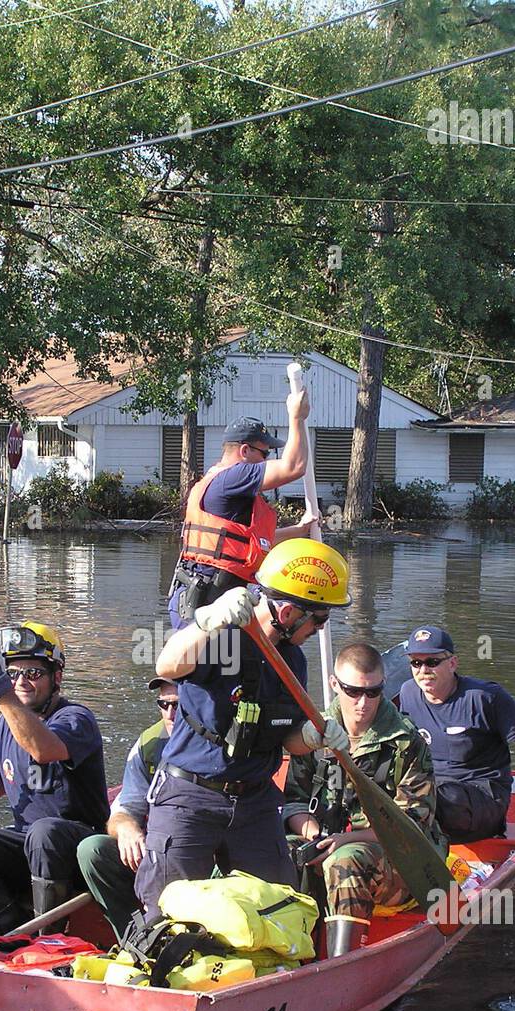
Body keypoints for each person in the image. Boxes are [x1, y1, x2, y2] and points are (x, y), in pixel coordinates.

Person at [135, 538, 353, 913]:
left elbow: (288, 738)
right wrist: (205, 622)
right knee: (167, 913)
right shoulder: (221, 639)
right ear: (288, 614)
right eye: (319, 618)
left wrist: (312, 737)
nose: (320, 627)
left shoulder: (293, 662)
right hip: (191, 797)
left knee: (280, 909)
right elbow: (167, 666)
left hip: (254, 800)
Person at [0, 622, 109, 934]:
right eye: (13, 674)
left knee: (45, 833)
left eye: (33, 674)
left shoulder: (76, 719)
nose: (21, 682)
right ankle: (12, 932)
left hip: (79, 847)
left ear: (56, 677)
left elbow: (42, 749)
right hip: (29, 842)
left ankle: (49, 938)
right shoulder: (7, 724)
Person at [285, 642, 445, 958]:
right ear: (334, 685)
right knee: (281, 852)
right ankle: (287, 953)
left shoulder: (405, 741)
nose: (363, 703)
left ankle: (343, 964)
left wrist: (345, 840)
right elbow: (294, 803)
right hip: (327, 839)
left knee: (345, 860)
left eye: (373, 692)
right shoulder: (314, 735)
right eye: (353, 691)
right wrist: (314, 837)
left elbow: (411, 825)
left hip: (398, 858)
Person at [398, 625, 515, 841]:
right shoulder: (408, 693)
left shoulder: (484, 697)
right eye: (416, 663)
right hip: (430, 790)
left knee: (435, 796)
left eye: (432, 662)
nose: (423, 670)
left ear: (452, 663)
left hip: (483, 797)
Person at [168, 385, 319, 629]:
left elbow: (249, 542)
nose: (267, 461)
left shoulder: (226, 485)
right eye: (265, 453)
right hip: (207, 601)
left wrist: (298, 531)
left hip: (215, 596)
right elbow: (294, 467)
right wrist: (297, 417)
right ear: (245, 451)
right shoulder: (233, 477)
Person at [76, 677, 179, 936]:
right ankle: (137, 940)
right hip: (155, 848)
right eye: (163, 704)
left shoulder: (221, 740)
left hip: (201, 848)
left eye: (178, 705)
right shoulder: (148, 744)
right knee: (93, 850)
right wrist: (127, 829)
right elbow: (124, 807)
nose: (169, 713)